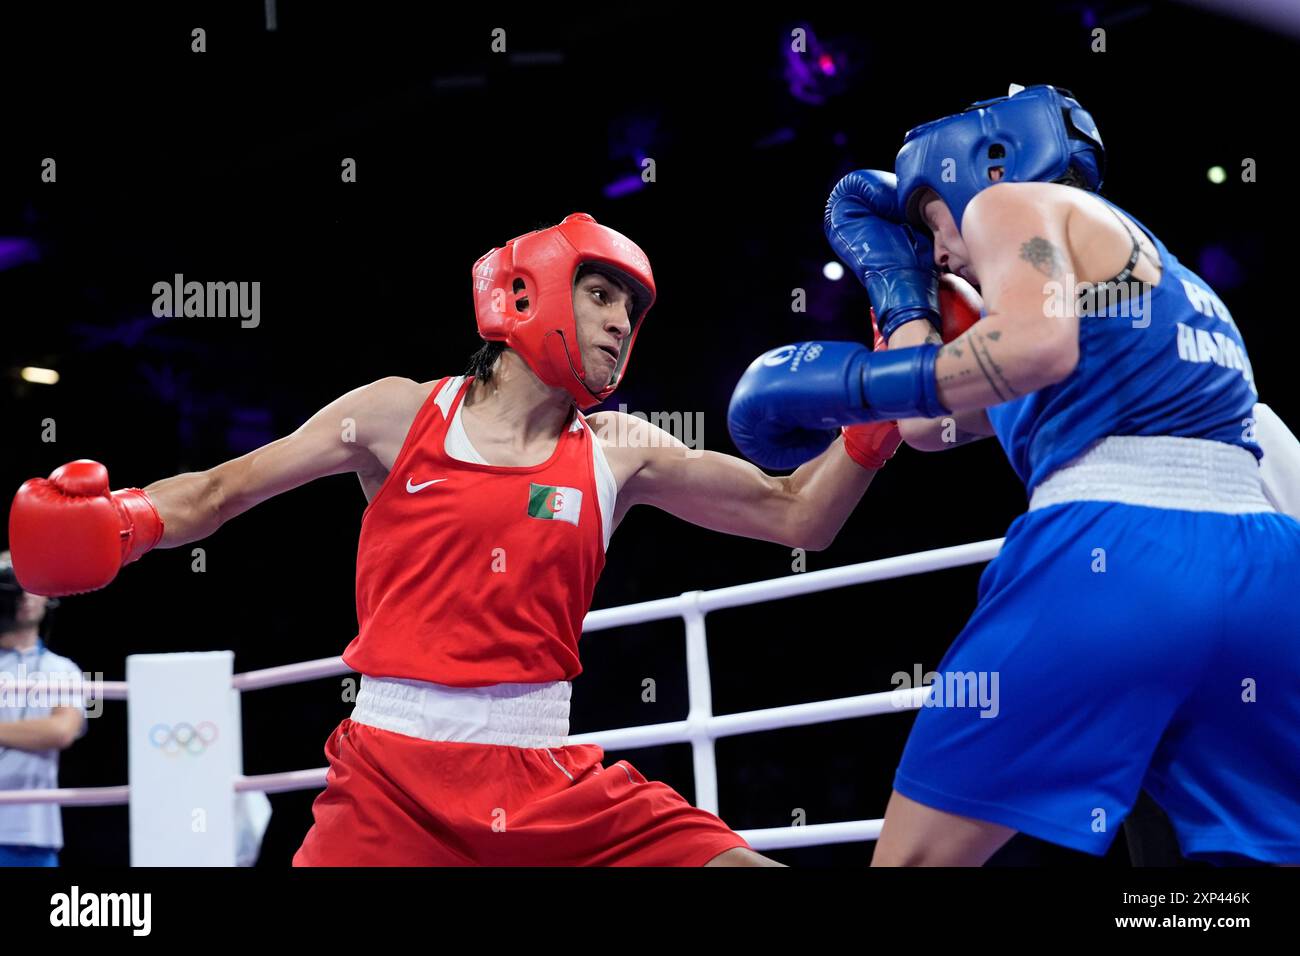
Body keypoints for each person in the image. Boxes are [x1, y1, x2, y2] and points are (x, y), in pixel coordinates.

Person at [8, 212, 908, 866]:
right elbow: (217, 493)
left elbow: (799, 515)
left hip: (549, 779)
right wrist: (121, 523)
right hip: (390, 778)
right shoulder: (397, 415)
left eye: (631, 313)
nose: (618, 326)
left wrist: (881, 411)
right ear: (524, 292)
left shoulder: (621, 450)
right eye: (601, 297)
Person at [729, 85, 1300, 865]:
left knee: (913, 862)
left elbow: (1034, 349)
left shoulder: (1010, 204)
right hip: (1266, 576)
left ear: (985, 167)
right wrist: (901, 302)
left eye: (933, 221)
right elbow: (931, 425)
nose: (939, 251)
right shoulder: (1167, 286)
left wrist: (851, 384)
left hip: (1120, 553)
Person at [0, 551, 86, 867]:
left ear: (47, 594)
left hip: (31, 833)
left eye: (30, 583)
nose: (22, 594)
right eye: (11, 584)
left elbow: (61, 730)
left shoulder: (64, 670)